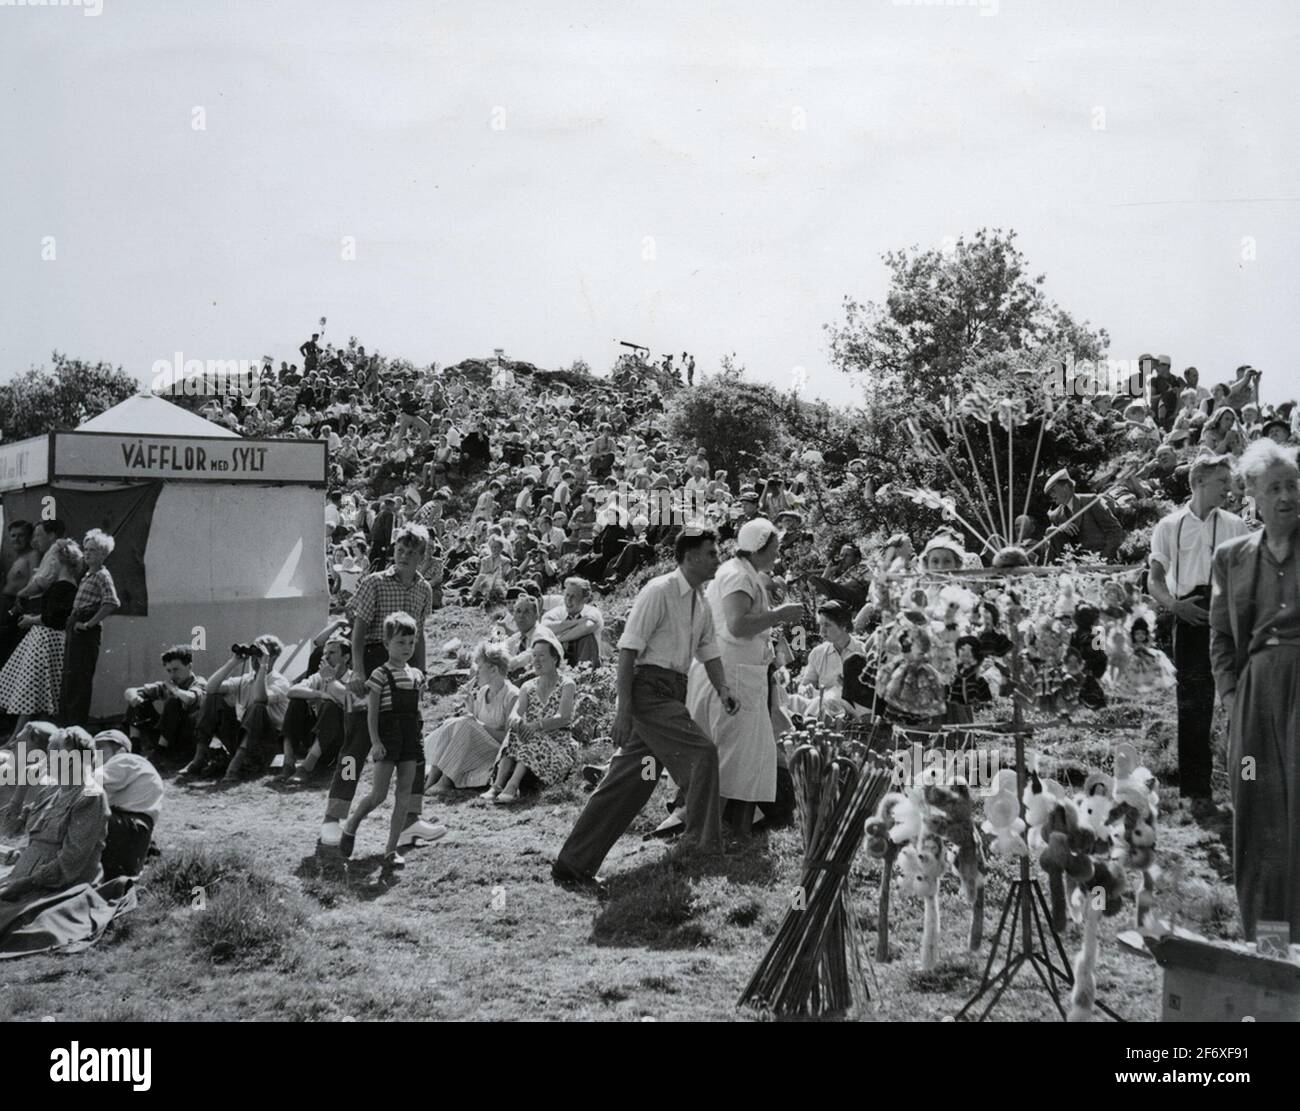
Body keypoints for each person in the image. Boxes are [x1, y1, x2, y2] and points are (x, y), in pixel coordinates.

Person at [552, 526, 736, 893]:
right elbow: (627, 651)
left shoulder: (701, 600)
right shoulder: (659, 591)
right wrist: (624, 711)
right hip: (649, 691)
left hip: (672, 690)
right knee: (702, 755)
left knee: (631, 781)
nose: (718, 558)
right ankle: (701, 847)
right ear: (690, 556)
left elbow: (709, 650)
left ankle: (572, 864)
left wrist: (724, 689)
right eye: (712, 553)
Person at [1209, 438, 1300, 941]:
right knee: (1254, 802)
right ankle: (1266, 939)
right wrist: (1230, 696)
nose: (1287, 496)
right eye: (1275, 488)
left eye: (1293, 485)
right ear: (1254, 497)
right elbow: (1221, 635)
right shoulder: (1231, 556)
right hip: (1255, 695)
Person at [320, 525, 444, 851]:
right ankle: (333, 819)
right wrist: (358, 671)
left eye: (412, 552)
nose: (404, 556)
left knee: (412, 743)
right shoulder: (375, 582)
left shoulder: (424, 591)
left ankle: (411, 821)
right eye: (400, 549)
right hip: (371, 662)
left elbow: (420, 634)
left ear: (422, 557)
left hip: (405, 670)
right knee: (356, 743)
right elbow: (358, 632)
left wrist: (421, 673)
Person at [687, 519, 803, 837]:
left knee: (737, 752)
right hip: (733, 674)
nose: (778, 555)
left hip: (734, 671)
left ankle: (720, 825)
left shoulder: (740, 572)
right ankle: (707, 828)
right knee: (731, 752)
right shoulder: (738, 575)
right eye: (775, 548)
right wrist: (780, 614)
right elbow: (737, 625)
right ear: (760, 548)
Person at [1148, 454, 1247, 811]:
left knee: (1239, 700)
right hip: (1188, 616)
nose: (1228, 488)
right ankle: (1196, 792)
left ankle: (1246, 784)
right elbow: (1155, 579)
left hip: (1228, 615)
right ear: (1200, 482)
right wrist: (1175, 607)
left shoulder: (1236, 525)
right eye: (1222, 481)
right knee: (1192, 706)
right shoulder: (1169, 525)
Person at [337, 613, 424, 868]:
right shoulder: (380, 674)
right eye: (400, 643)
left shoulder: (417, 674)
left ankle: (390, 850)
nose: (407, 648)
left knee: (404, 794)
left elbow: (417, 710)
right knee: (378, 795)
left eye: (411, 642)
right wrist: (375, 741)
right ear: (387, 644)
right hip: (387, 737)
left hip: (410, 738)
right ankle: (351, 825)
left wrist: (419, 736)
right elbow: (372, 712)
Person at [0, 728, 108, 904]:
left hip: (58, 888)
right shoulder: (50, 791)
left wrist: (26, 884)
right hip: (22, 878)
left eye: (51, 753)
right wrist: (20, 789)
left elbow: (71, 861)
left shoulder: (90, 796)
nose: (44, 759)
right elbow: (9, 831)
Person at [481, 627, 576, 804]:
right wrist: (516, 720)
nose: (536, 661)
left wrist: (535, 726)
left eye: (542, 656)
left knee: (532, 734)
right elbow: (515, 714)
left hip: (558, 748)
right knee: (515, 732)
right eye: (534, 656)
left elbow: (563, 717)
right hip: (531, 742)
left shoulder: (567, 684)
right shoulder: (528, 686)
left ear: (555, 658)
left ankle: (512, 785)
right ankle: (497, 787)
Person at [0, 539, 81, 732]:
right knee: (35, 693)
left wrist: (31, 620)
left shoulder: (65, 586)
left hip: (47, 641)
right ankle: (22, 737)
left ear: (58, 559)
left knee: (31, 692)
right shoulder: (61, 584)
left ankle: (18, 739)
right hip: (44, 640)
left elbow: (54, 619)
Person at [424, 643, 518, 793]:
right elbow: (475, 726)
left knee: (466, 723)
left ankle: (446, 781)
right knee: (452, 722)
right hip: (476, 748)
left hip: (495, 751)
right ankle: (431, 780)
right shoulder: (482, 692)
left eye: (480, 668)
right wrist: (471, 710)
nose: (476, 673)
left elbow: (508, 738)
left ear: (493, 670)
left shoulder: (512, 695)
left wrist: (476, 723)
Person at [60, 529, 120, 727]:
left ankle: (76, 726)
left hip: (84, 629)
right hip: (75, 625)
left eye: (93, 550)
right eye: (85, 550)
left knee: (79, 679)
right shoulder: (88, 575)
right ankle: (67, 724)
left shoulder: (102, 575)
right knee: (70, 677)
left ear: (103, 554)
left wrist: (88, 624)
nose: (87, 554)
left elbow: (111, 602)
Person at [91, 729, 164, 880]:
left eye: (101, 749)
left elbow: (87, 785)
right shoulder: (127, 770)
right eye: (93, 751)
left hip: (126, 825)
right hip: (135, 831)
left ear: (121, 749)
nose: (95, 756)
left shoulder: (124, 760)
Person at [123, 645, 208, 765]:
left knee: (174, 701)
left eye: (176, 669)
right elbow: (131, 690)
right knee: (139, 698)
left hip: (188, 739)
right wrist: (134, 697)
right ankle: (135, 748)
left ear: (189, 666)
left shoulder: (199, 682)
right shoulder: (170, 684)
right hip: (169, 736)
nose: (172, 674)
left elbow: (190, 699)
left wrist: (173, 689)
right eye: (169, 671)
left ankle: (160, 753)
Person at [285, 636, 354, 782]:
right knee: (296, 702)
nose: (326, 657)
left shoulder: (354, 678)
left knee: (331, 707)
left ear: (346, 657)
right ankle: (288, 764)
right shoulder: (320, 676)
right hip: (317, 736)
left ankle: (306, 767)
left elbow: (349, 701)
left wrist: (330, 681)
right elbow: (292, 691)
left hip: (340, 741)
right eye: (325, 653)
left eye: (332, 653)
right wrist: (320, 694)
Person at [1043, 469, 1125, 562]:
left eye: (1053, 490)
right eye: (1049, 493)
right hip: (1072, 564)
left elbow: (1115, 531)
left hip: (1098, 560)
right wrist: (1061, 527)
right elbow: (1050, 539)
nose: (1051, 495)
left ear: (1065, 488)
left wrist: (1104, 560)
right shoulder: (1056, 515)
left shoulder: (1090, 501)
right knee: (1052, 531)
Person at [0, 521, 38, 669]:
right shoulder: (18, 557)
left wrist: (16, 608)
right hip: (5, 607)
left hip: (15, 608)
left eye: (21, 535)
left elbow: (35, 582)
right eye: (13, 535)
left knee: (5, 652)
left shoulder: (32, 555)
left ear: (29, 537)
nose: (16, 539)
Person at [542, 577, 604, 666]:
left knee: (586, 637)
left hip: (586, 661)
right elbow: (545, 626)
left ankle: (584, 673)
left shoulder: (592, 611)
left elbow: (587, 627)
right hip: (561, 662)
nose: (568, 600)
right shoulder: (559, 611)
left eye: (573, 596)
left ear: (584, 599)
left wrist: (558, 639)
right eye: (567, 595)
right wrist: (576, 622)